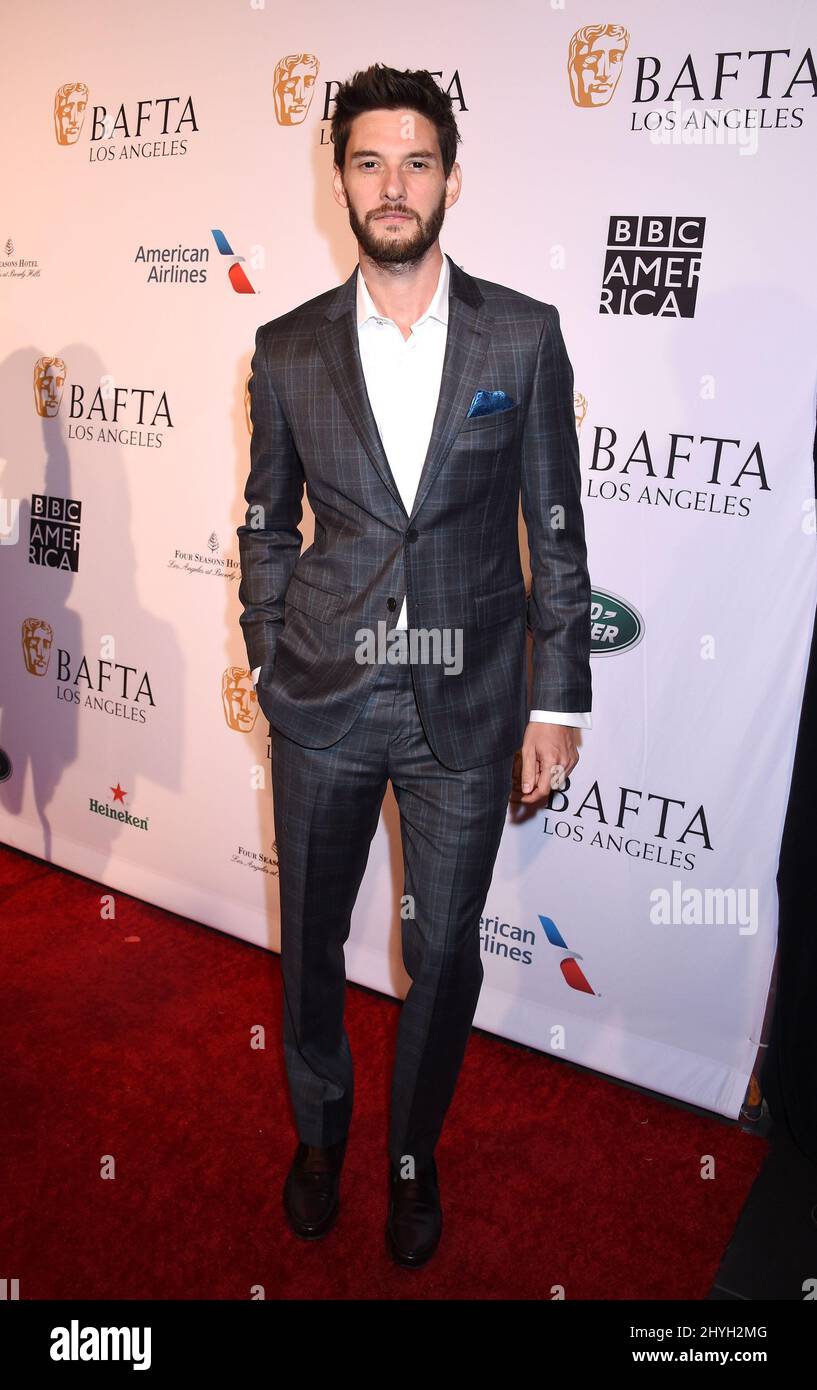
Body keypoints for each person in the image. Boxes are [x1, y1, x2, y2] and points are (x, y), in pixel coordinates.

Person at [236, 62, 592, 1269]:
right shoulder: (284, 349)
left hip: (473, 693)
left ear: (451, 176)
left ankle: (408, 1153)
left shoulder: (522, 333)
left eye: (417, 161)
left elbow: (555, 530)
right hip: (324, 700)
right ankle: (322, 1133)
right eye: (369, 161)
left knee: (442, 951)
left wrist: (555, 695)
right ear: (337, 177)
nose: (393, 186)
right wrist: (270, 658)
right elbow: (266, 524)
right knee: (314, 942)